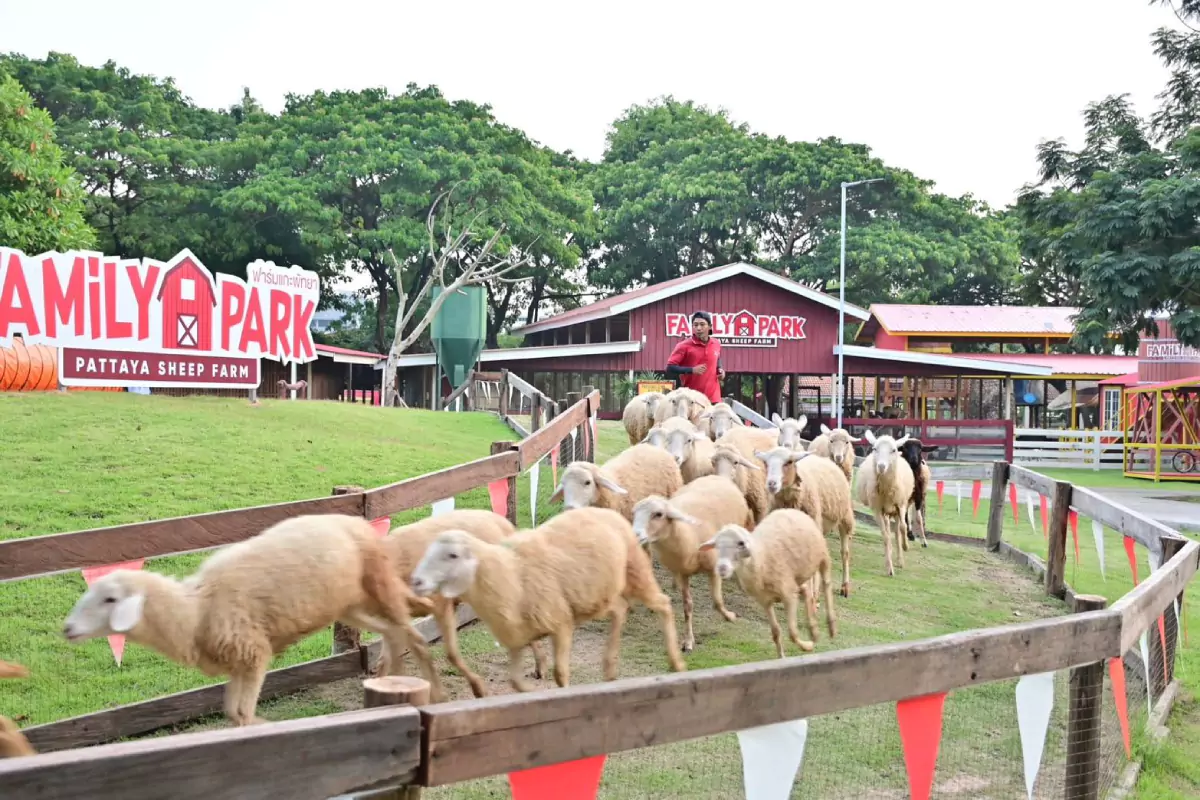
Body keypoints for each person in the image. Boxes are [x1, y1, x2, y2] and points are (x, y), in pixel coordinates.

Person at [665, 310, 725, 403]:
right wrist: (692, 370)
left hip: (713, 399)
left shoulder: (716, 343)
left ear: (710, 327)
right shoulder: (684, 345)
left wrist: (721, 370)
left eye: (702, 324)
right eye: (695, 325)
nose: (698, 328)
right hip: (692, 400)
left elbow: (717, 358)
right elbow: (670, 368)